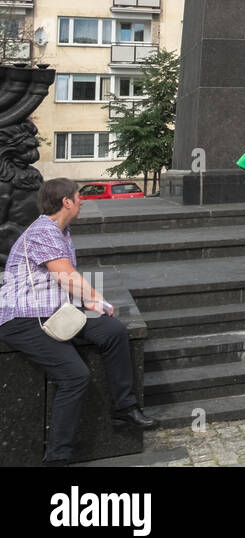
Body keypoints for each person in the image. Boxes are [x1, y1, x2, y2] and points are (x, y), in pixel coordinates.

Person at [0, 179, 156, 464]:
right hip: (22, 317)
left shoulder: (62, 231)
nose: (82, 201)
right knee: (75, 376)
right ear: (66, 202)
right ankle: (57, 456)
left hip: (56, 310)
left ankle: (124, 408)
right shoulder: (43, 231)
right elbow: (66, 276)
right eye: (78, 197)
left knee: (113, 331)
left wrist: (89, 302)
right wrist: (97, 300)